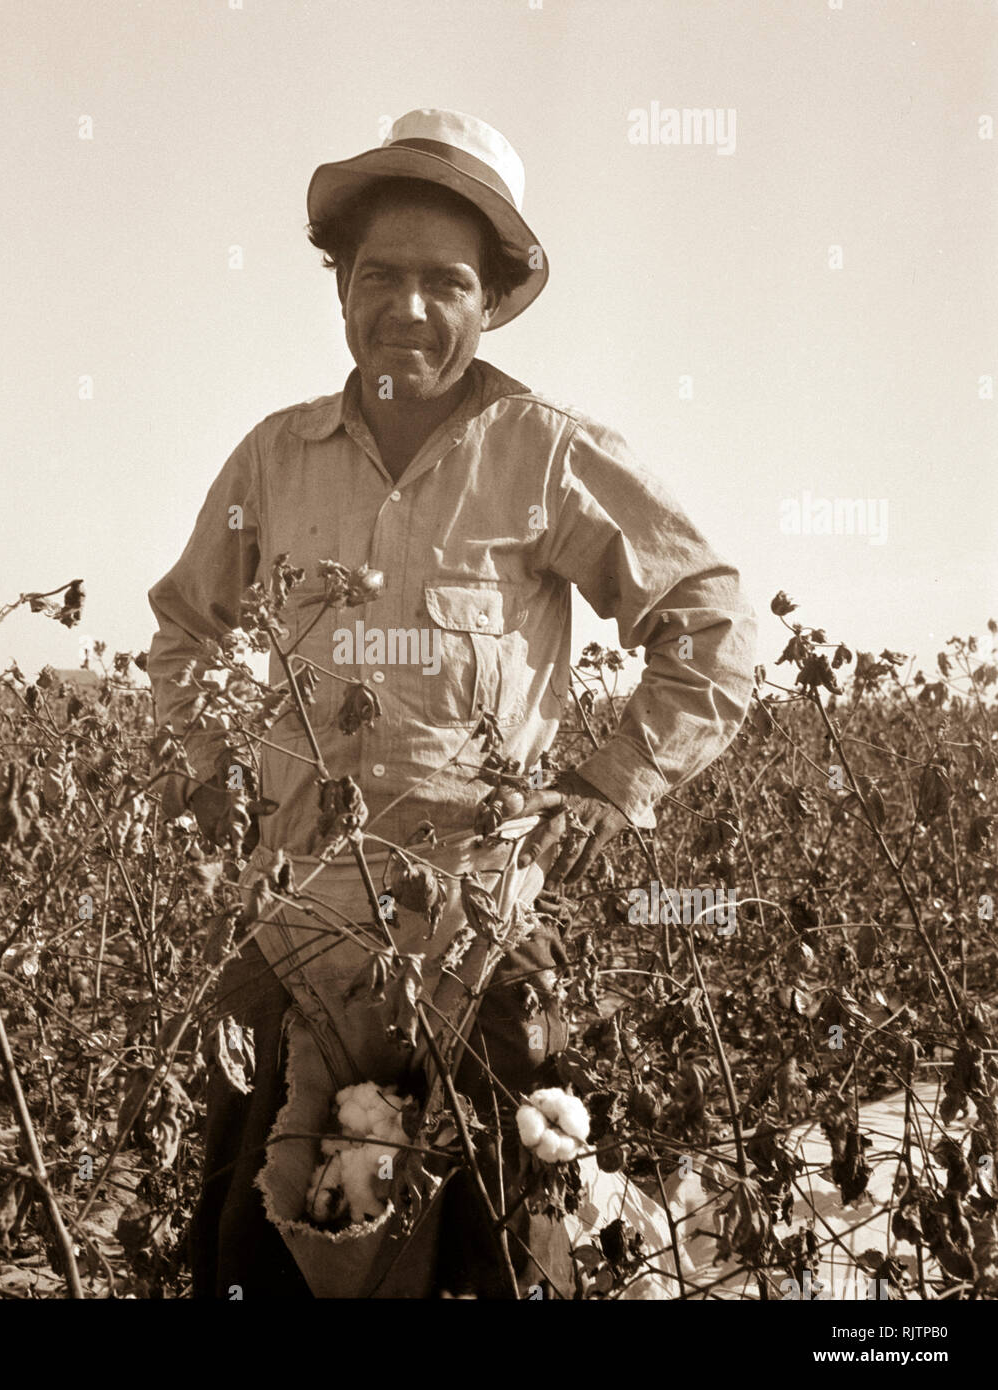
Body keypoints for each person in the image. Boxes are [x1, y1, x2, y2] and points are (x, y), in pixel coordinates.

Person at [147, 108, 757, 1298]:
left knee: (496, 1263)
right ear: (339, 289)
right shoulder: (273, 459)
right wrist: (205, 763)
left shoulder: (547, 454)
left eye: (445, 282)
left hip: (474, 944)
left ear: (489, 302)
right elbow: (183, 626)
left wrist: (608, 785)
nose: (408, 307)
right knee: (243, 1256)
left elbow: (713, 621)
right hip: (296, 938)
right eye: (381, 275)